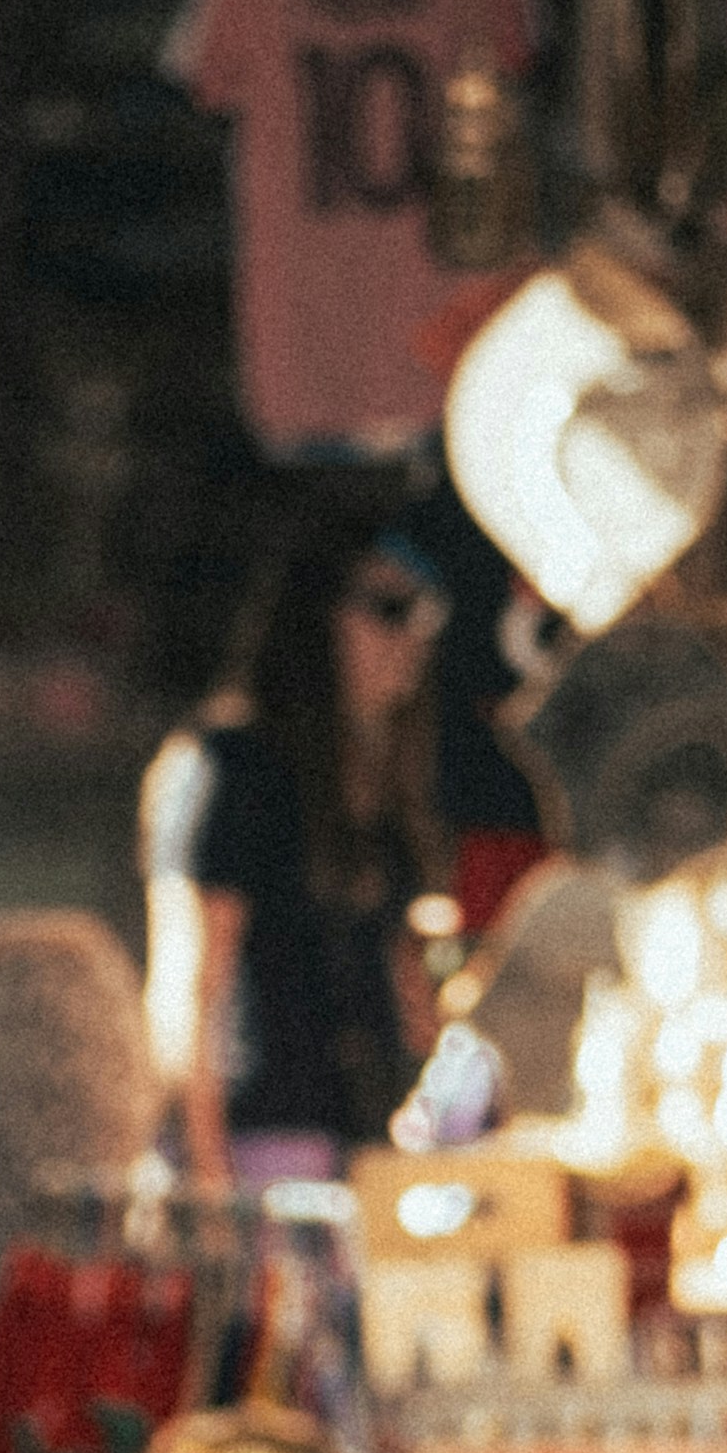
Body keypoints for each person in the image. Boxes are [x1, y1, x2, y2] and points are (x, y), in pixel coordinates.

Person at [160, 503, 450, 1187]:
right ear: (316, 615)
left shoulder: (386, 781)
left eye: (426, 613)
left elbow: (406, 987)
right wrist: (207, 1176)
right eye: (388, 607)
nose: (412, 636)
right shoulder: (234, 765)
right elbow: (194, 984)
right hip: (263, 1143)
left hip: (371, 1141)